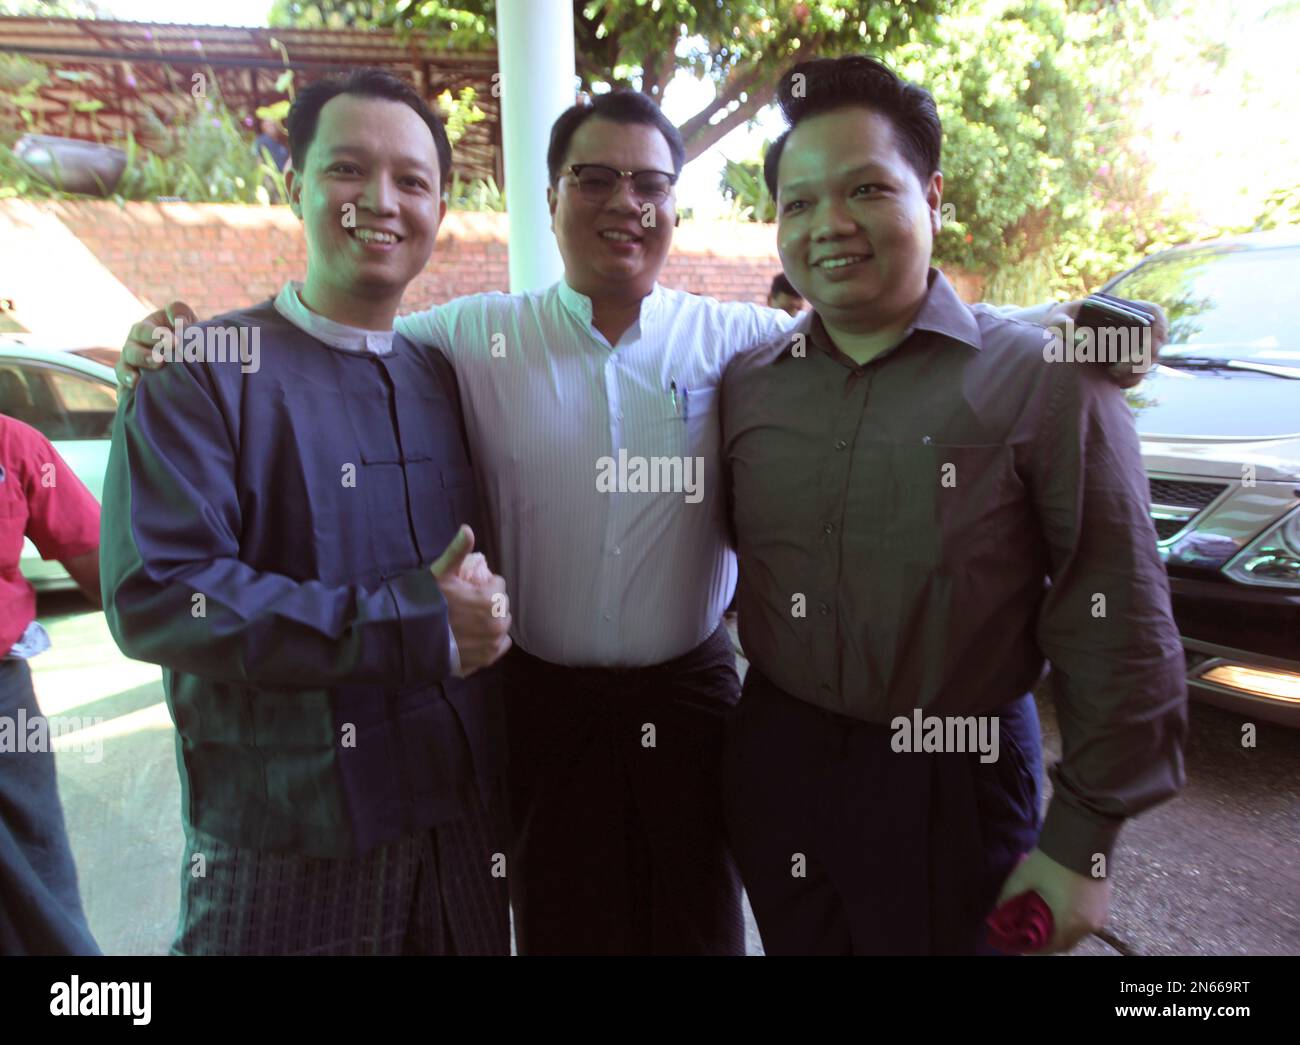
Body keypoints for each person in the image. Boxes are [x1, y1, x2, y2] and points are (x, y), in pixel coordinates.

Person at [113, 90, 1159, 956]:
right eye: (595, 180)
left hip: (700, 703)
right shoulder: (469, 337)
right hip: (538, 706)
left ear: (675, 206)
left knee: (701, 930)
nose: (626, 204)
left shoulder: (744, 341)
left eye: (650, 184)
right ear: (551, 197)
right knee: (565, 929)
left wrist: (1076, 324)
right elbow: (338, 326)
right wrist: (177, 341)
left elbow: (891, 325)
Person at [721, 55, 1187, 955]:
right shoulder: (746, 382)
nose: (831, 225)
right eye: (799, 203)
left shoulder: (1046, 379)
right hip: (778, 761)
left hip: (952, 781)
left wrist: (1084, 841)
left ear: (931, 196)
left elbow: (1119, 616)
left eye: (866, 189)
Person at [100, 69, 513, 956]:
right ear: (293, 184)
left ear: (442, 206)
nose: (381, 200)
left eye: (412, 180)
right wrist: (413, 620)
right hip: (287, 831)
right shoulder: (202, 372)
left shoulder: (441, 372)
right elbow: (162, 592)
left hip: (457, 830)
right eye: (346, 170)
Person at [0, 413, 102, 955]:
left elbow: (103, 570)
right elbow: (106, 574)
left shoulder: (14, 444)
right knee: (39, 882)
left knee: (36, 874)